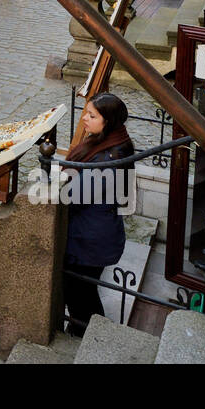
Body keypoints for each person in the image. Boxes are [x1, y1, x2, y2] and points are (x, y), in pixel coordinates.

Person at [62, 92, 134, 337]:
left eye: (92, 116)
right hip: (96, 232)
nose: (84, 118)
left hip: (91, 241)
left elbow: (72, 196)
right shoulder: (113, 142)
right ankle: (82, 328)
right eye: (86, 112)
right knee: (83, 289)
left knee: (79, 292)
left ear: (109, 121)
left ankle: (89, 334)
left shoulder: (108, 158)